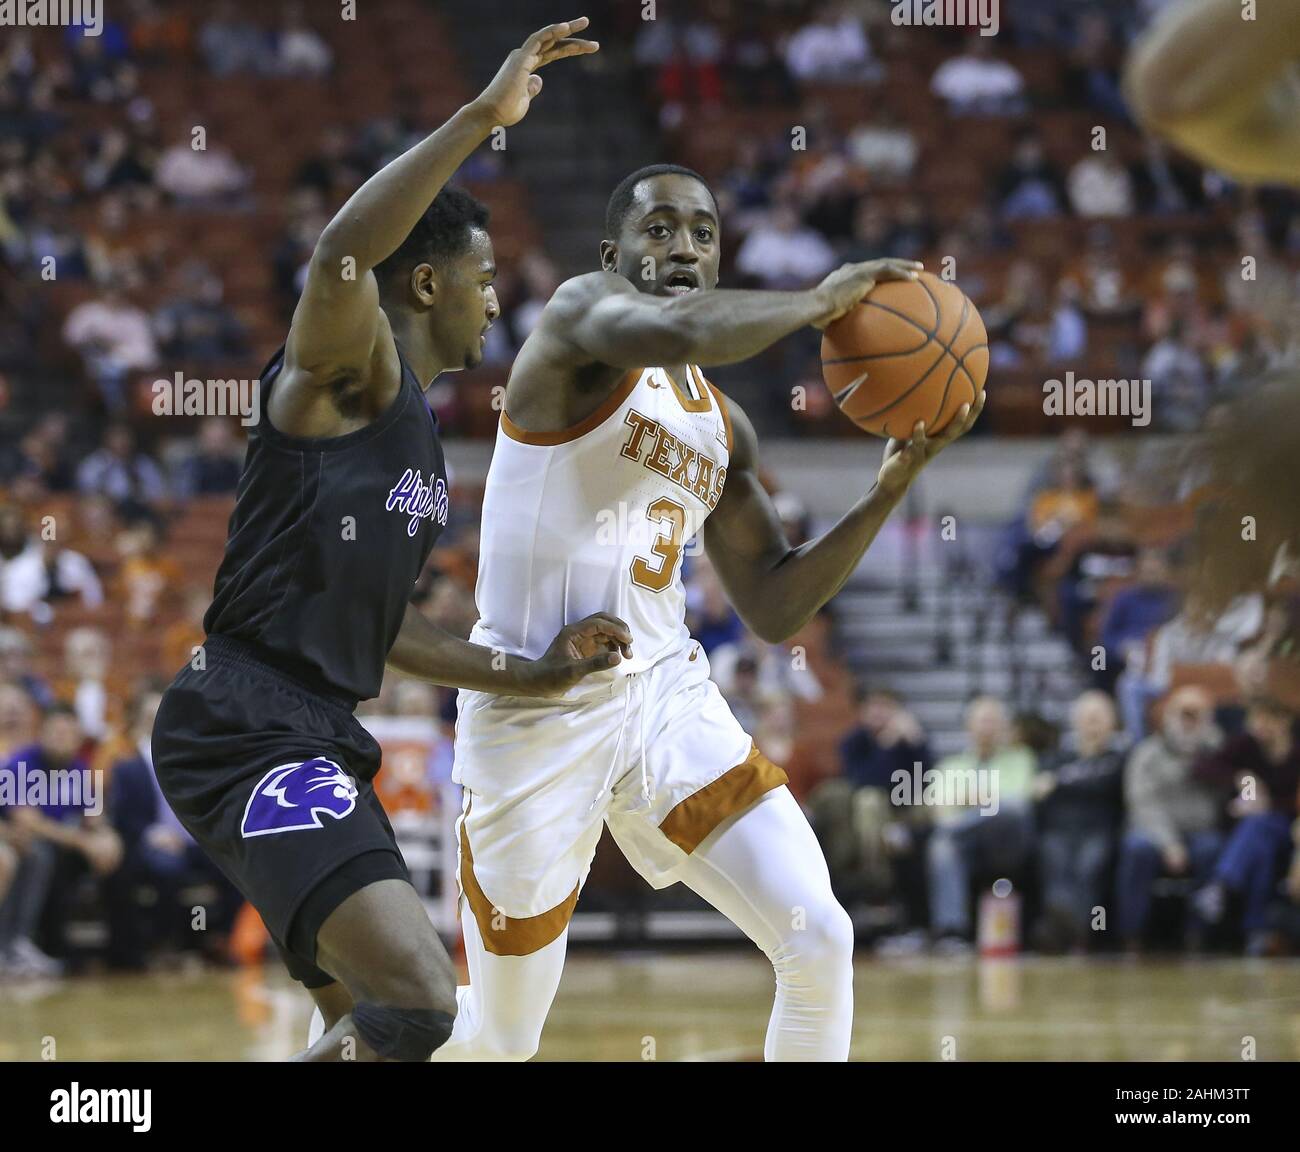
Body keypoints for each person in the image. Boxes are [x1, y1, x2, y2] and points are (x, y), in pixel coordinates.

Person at [436, 160, 983, 1062]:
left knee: (820, 938)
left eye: (701, 232)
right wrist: (819, 302)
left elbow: (772, 600)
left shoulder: (724, 424)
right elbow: (679, 325)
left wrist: (891, 489)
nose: (683, 246)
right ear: (615, 255)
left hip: (663, 700)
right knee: (500, 1039)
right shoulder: (580, 318)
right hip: (533, 706)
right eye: (659, 230)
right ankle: (350, 1038)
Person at [150, 20, 614, 1063]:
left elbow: (391, 628)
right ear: (423, 285)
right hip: (243, 720)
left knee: (365, 1028)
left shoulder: (420, 446)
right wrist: (479, 119)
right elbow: (340, 253)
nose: (499, 297)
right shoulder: (348, 378)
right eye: (483, 276)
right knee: (421, 995)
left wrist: (532, 677)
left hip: (313, 726)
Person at [1117, 685, 1223, 950]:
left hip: (1201, 832)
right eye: (1182, 714)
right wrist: (1169, 843)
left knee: (1212, 850)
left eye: (1196, 715)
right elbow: (1142, 804)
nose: (1188, 722)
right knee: (1136, 848)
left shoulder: (1220, 750)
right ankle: (1132, 935)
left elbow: (1239, 789)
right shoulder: (1146, 754)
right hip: (1154, 833)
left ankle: (1198, 934)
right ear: (1168, 716)